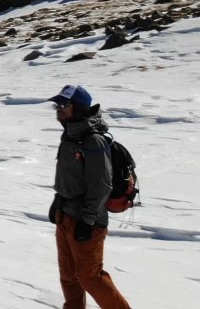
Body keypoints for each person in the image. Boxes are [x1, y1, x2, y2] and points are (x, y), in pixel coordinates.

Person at [46, 84, 131, 309]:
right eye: (57, 105)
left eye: (64, 105)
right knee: (68, 276)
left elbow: (102, 185)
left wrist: (88, 219)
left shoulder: (93, 140)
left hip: (87, 220)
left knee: (90, 277)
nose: (59, 109)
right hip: (65, 214)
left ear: (80, 108)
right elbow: (69, 176)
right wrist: (58, 200)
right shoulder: (69, 135)